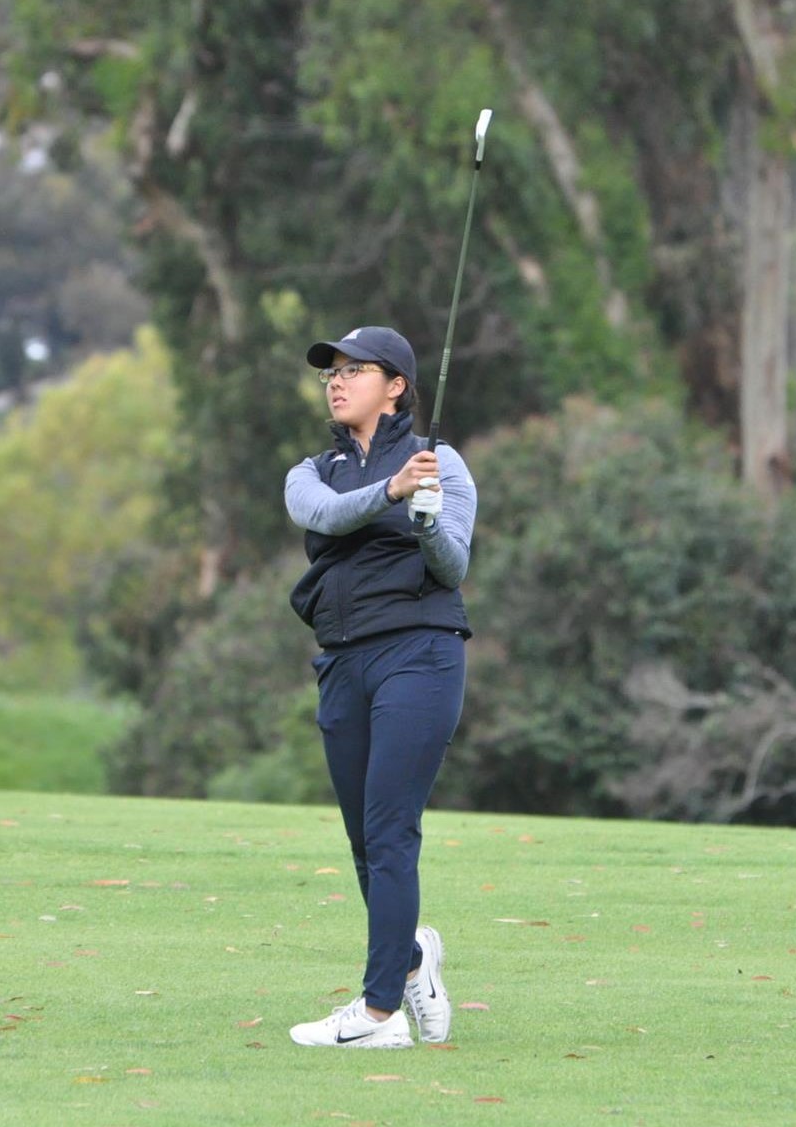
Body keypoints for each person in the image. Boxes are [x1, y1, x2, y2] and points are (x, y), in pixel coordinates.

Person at [282, 325, 475, 1050]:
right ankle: (413, 956)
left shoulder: (441, 463)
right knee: (365, 840)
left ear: (395, 386)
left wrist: (426, 525)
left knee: (391, 830)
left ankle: (379, 1013)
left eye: (354, 370)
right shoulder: (312, 471)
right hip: (342, 659)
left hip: (419, 653)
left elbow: (453, 565)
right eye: (331, 372)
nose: (336, 382)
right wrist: (392, 491)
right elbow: (323, 516)